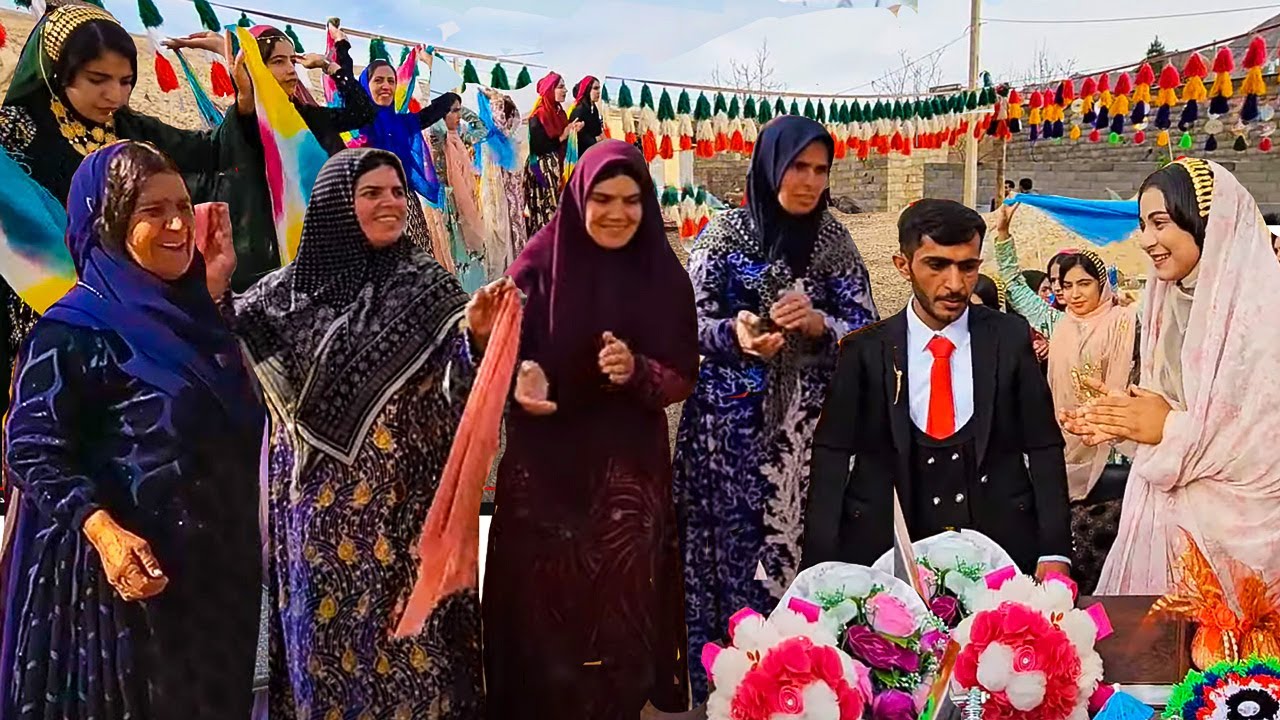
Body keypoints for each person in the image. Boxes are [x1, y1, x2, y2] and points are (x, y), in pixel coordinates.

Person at [210, 148, 512, 718]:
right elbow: (225, 360)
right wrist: (217, 287)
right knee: (325, 664)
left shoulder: (426, 286)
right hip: (316, 528)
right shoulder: (281, 297)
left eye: (397, 192)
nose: (391, 203)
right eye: (371, 192)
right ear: (335, 205)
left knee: (415, 659)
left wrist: (473, 337)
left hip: (407, 516)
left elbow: (459, 392)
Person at [1, 141, 263, 718]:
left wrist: (212, 289)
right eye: (150, 210)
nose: (175, 224)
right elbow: (31, 447)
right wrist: (103, 531)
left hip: (216, 591)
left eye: (181, 206)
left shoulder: (200, 322)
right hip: (121, 596)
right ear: (108, 220)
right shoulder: (75, 329)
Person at [484, 140, 697, 719]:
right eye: (602, 198)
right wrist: (519, 376)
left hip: (626, 494)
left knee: (618, 635)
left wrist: (638, 370)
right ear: (578, 197)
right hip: (544, 490)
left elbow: (682, 374)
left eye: (632, 200)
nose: (616, 213)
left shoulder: (664, 277)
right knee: (542, 637)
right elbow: (496, 359)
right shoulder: (536, 265)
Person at [672, 115, 879, 703]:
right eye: (798, 167)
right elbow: (688, 325)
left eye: (821, 169)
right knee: (731, 575)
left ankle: (809, 697)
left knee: (805, 572)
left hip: (806, 444)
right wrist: (735, 334)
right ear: (769, 166)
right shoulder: (724, 235)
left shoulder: (834, 242)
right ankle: (731, 696)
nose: (810, 181)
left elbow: (865, 331)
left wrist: (820, 326)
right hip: (728, 443)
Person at [0, 4, 248, 427]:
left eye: (125, 82)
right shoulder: (13, 130)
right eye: (98, 80)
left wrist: (244, 102)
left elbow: (210, 151)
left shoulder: (129, 128)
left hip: (124, 312)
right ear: (60, 71)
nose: (114, 95)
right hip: (34, 304)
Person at [802, 199, 1072, 581]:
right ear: (903, 265)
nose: (955, 284)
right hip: (887, 562)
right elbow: (831, 458)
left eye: (967, 266)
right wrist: (819, 570)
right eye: (937, 265)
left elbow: (1044, 446)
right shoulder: (865, 351)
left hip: (999, 556)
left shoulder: (1009, 339)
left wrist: (1056, 551)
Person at [1062, 159, 1280, 596]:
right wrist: (1124, 419)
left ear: (1206, 221)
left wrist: (1167, 428)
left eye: (1159, 222)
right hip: (1165, 520)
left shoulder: (1264, 315)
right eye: (1142, 224)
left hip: (1241, 539)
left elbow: (1265, 445)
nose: (1146, 241)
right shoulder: (1170, 302)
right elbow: (1175, 412)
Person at [164, 23, 377, 291]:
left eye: (292, 60)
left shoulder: (308, 119)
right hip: (266, 273)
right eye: (278, 61)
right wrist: (235, 60)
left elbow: (363, 113)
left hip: (325, 256)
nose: (291, 69)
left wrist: (328, 66)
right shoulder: (246, 125)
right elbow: (241, 125)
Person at [1007, 218, 1139, 593]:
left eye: (1084, 283)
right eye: (1067, 286)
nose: (1076, 293)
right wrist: (1002, 238)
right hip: (1064, 441)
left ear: (1101, 284)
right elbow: (1015, 287)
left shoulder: (1129, 323)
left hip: (1116, 447)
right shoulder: (1055, 322)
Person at [350, 57, 459, 263]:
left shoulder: (403, 124)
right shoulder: (355, 125)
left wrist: (432, 65)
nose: (386, 86)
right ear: (366, 84)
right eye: (379, 80)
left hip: (407, 210)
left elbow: (444, 102)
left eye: (391, 81)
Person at [428, 93, 490, 292]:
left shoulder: (460, 137)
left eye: (459, 111)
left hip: (464, 201)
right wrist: (443, 108)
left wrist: (460, 110)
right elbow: (436, 127)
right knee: (455, 249)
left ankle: (472, 290)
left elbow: (483, 130)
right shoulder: (437, 137)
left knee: (470, 246)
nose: (458, 116)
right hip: (446, 202)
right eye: (454, 111)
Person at [524, 72, 582, 236]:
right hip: (541, 171)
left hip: (557, 168)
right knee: (546, 213)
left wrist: (572, 133)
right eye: (561, 87)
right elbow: (539, 146)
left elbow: (562, 138)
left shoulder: (560, 113)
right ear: (550, 90)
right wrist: (564, 135)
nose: (565, 90)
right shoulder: (539, 116)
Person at [568, 75, 606, 155]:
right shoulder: (579, 110)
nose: (598, 92)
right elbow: (577, 136)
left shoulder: (594, 109)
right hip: (581, 155)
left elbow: (598, 130)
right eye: (595, 88)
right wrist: (595, 140)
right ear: (587, 90)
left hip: (593, 152)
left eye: (599, 88)